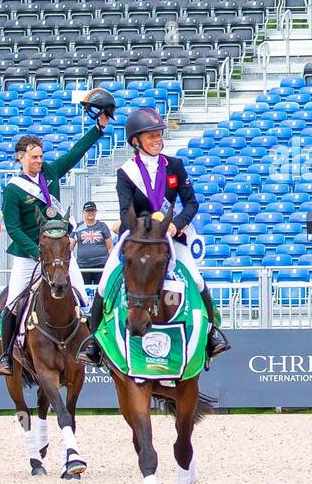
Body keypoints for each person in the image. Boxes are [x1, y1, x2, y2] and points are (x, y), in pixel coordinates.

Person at [77, 106, 230, 365]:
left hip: (169, 236)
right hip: (137, 238)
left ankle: (212, 333)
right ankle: (94, 342)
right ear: (136, 141)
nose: (158, 139)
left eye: (159, 134)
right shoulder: (126, 172)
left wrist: (176, 224)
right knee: (104, 282)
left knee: (195, 277)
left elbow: (191, 203)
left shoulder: (174, 166)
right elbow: (125, 211)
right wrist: (143, 230)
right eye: (151, 136)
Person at [0, 88, 116, 376]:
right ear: (21, 158)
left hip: (59, 252)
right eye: (34, 157)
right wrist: (34, 251)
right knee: (12, 303)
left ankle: (93, 347)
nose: (39, 161)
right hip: (28, 255)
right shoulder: (13, 190)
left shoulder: (49, 173)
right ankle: (7, 357)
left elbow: (75, 153)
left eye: (41, 156)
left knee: (83, 298)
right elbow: (12, 227)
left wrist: (98, 129)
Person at [74, 201, 114, 294]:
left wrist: (111, 264)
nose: (90, 213)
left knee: (101, 292)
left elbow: (110, 247)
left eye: (92, 210)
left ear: (96, 212)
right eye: (88, 211)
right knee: (83, 292)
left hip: (101, 265)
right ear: (83, 212)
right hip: (83, 266)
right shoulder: (78, 227)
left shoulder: (102, 226)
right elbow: (69, 246)